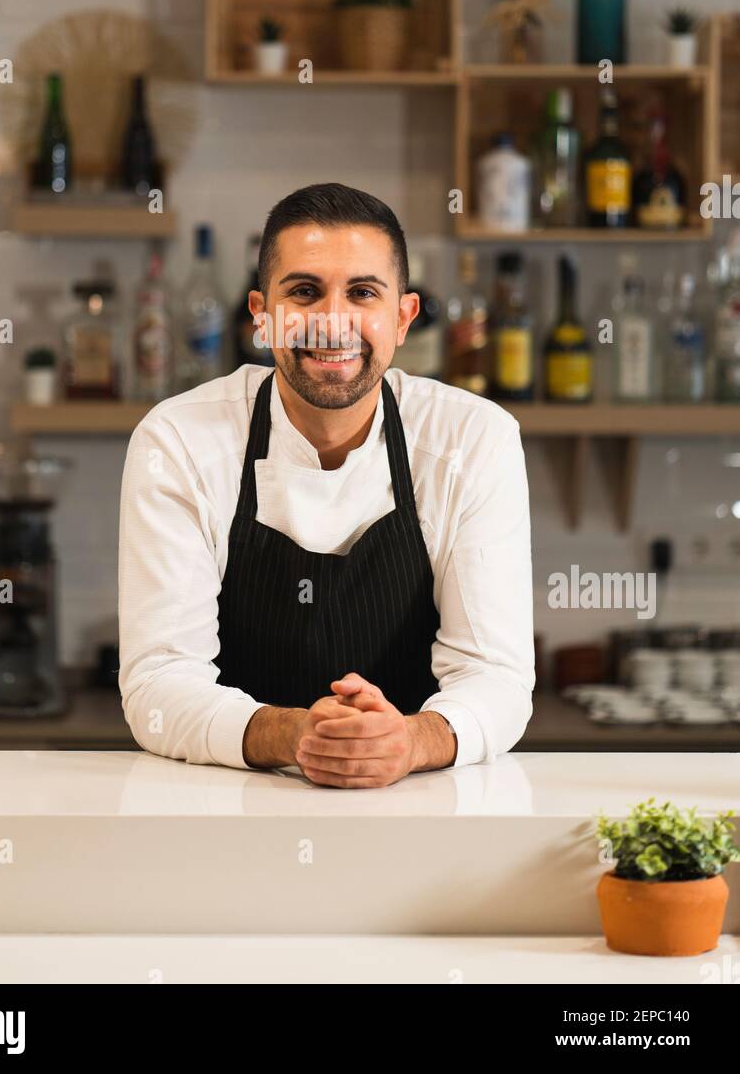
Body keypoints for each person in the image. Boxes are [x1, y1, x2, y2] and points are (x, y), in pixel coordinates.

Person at [118, 183, 534, 788]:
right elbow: (158, 683)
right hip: (226, 806)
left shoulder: (473, 439)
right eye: (305, 292)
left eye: (362, 293)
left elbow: (495, 676)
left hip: (421, 807)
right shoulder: (178, 441)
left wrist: (410, 741)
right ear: (261, 316)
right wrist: (296, 734)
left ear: (403, 317)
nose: (333, 323)